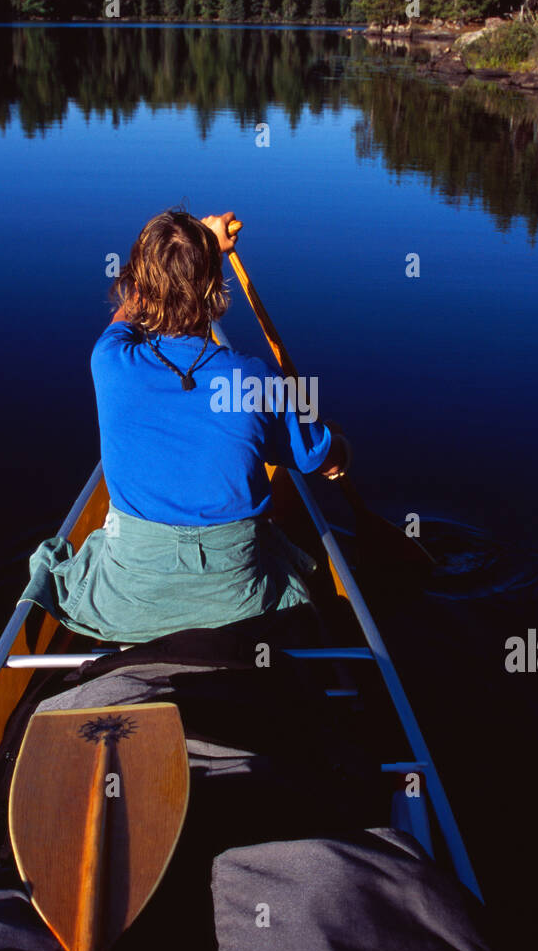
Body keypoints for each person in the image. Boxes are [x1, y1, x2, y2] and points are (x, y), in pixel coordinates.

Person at [21, 208, 350, 645]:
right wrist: (338, 449)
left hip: (131, 596)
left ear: (136, 286)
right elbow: (316, 456)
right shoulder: (250, 378)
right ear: (214, 290)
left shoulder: (112, 362)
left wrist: (194, 256)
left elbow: (129, 313)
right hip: (238, 600)